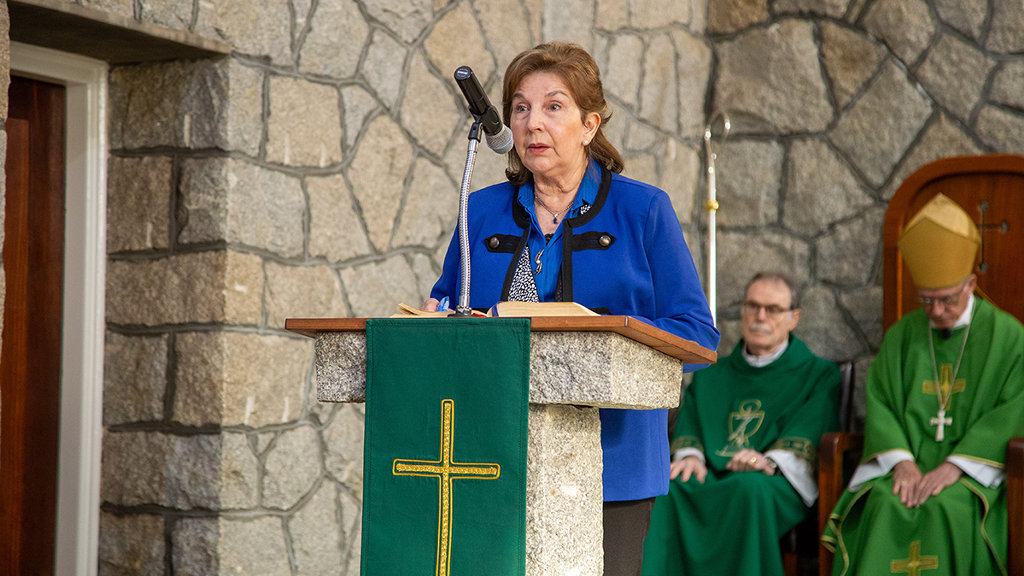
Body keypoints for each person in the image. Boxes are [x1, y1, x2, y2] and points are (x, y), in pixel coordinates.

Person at [423, 42, 720, 575]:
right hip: (492, 454)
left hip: (614, 465)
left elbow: (697, 336)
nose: (533, 122)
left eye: (553, 106)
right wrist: (435, 322)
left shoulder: (644, 210)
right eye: (520, 107)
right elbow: (446, 304)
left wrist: (607, 337)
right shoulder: (481, 209)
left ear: (589, 124)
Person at [822, 193, 1024, 575]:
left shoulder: (1008, 336)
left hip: (972, 476)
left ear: (970, 284)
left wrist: (956, 466)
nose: (936, 311)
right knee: (883, 503)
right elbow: (879, 398)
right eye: (927, 300)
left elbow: (1016, 407)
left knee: (951, 508)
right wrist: (902, 462)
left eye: (946, 300)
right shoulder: (904, 335)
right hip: (908, 469)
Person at [640, 272, 840, 576]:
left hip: (775, 482)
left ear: (793, 317)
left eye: (772, 309)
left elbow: (810, 428)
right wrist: (690, 455)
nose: (760, 316)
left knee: (748, 489)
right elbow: (692, 421)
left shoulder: (818, 375)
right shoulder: (711, 374)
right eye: (752, 306)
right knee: (669, 489)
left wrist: (769, 461)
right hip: (715, 473)